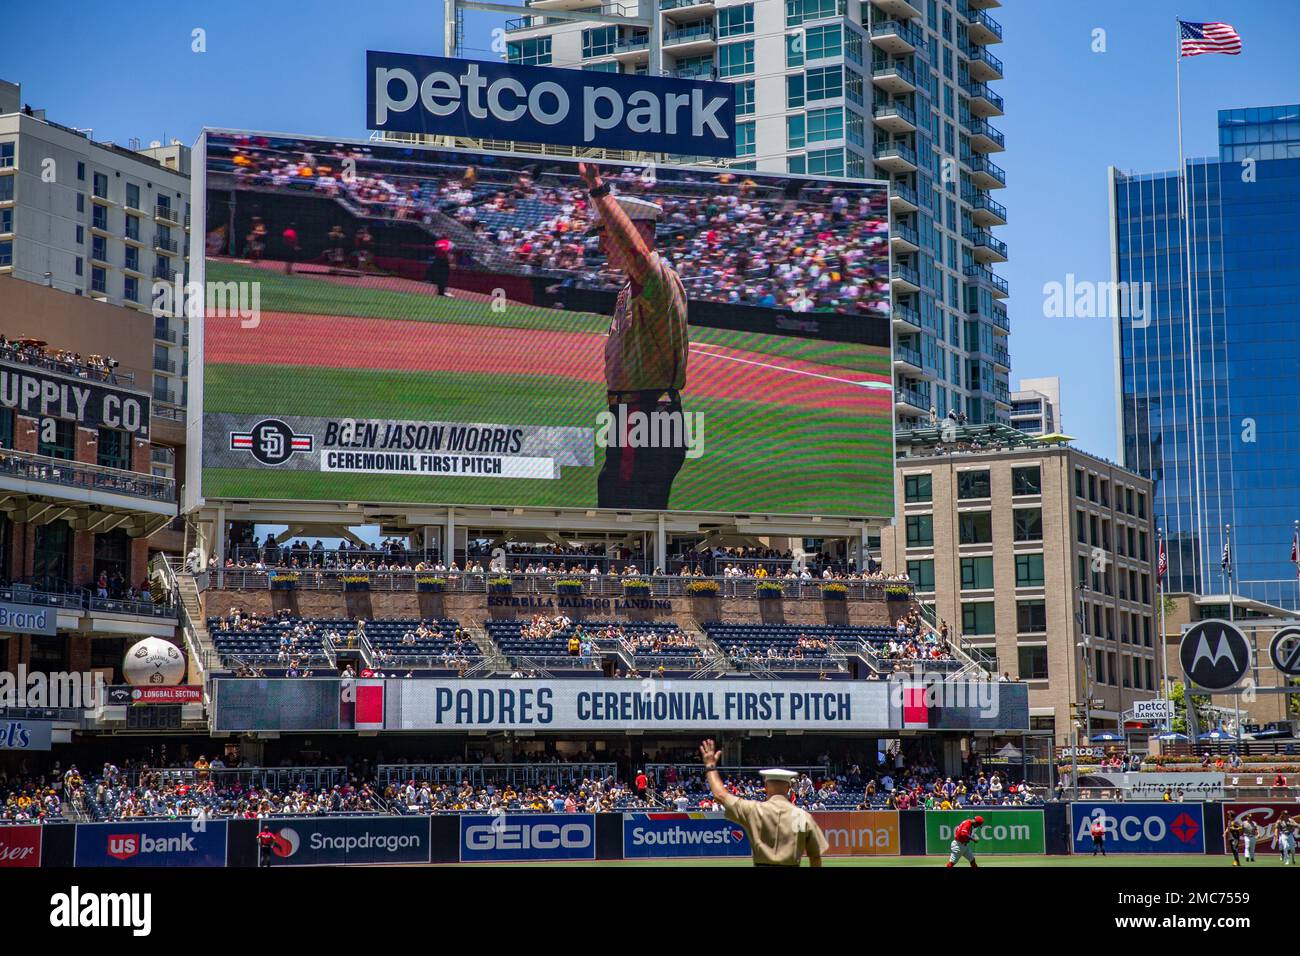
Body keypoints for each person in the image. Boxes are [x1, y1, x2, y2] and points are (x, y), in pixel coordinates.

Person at [578, 162, 689, 511]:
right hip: (641, 415)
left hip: (645, 414)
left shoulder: (655, 279)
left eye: (606, 232)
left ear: (638, 231)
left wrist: (598, 189)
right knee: (634, 516)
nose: (600, 245)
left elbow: (637, 254)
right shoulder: (635, 286)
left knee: (623, 515)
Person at [699, 739, 827, 867]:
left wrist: (711, 767)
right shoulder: (802, 816)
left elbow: (720, 795)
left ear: (765, 786)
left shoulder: (754, 810)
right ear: (789, 787)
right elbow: (815, 857)